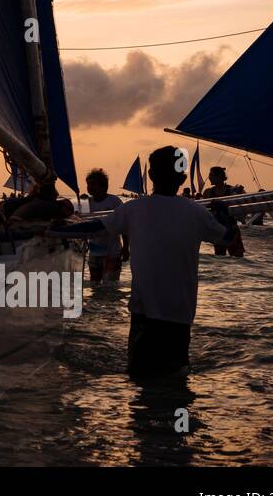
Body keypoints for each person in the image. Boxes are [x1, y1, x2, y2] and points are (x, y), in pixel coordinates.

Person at [98, 145, 240, 380]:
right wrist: (225, 216)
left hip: (143, 313)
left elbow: (95, 227)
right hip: (179, 314)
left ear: (151, 176)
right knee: (175, 379)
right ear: (183, 177)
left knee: (138, 379)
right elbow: (228, 240)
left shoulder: (132, 209)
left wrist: (54, 229)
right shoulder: (196, 212)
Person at [82, 168, 124, 285]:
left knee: (110, 286)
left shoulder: (114, 201)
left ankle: (111, 304)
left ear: (103, 186)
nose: (89, 187)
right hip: (94, 252)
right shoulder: (87, 203)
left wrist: (126, 247)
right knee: (94, 285)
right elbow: (81, 224)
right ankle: (95, 305)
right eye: (88, 184)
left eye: (92, 184)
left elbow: (124, 224)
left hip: (112, 253)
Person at [9, 180, 74, 222]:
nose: (57, 195)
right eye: (55, 195)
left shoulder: (34, 201)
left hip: (12, 216)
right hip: (16, 221)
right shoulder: (51, 206)